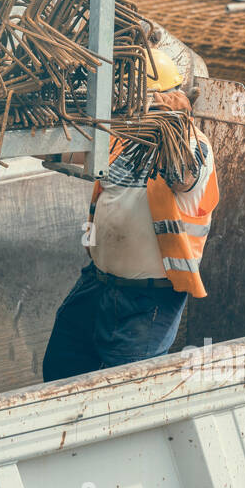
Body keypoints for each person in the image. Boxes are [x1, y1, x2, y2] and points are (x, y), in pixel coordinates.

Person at [42, 50, 219, 383]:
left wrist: (174, 124)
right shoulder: (119, 142)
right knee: (61, 370)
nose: (120, 107)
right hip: (96, 284)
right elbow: (59, 150)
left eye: (128, 99)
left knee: (121, 392)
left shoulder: (195, 146)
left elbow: (183, 176)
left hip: (147, 302)